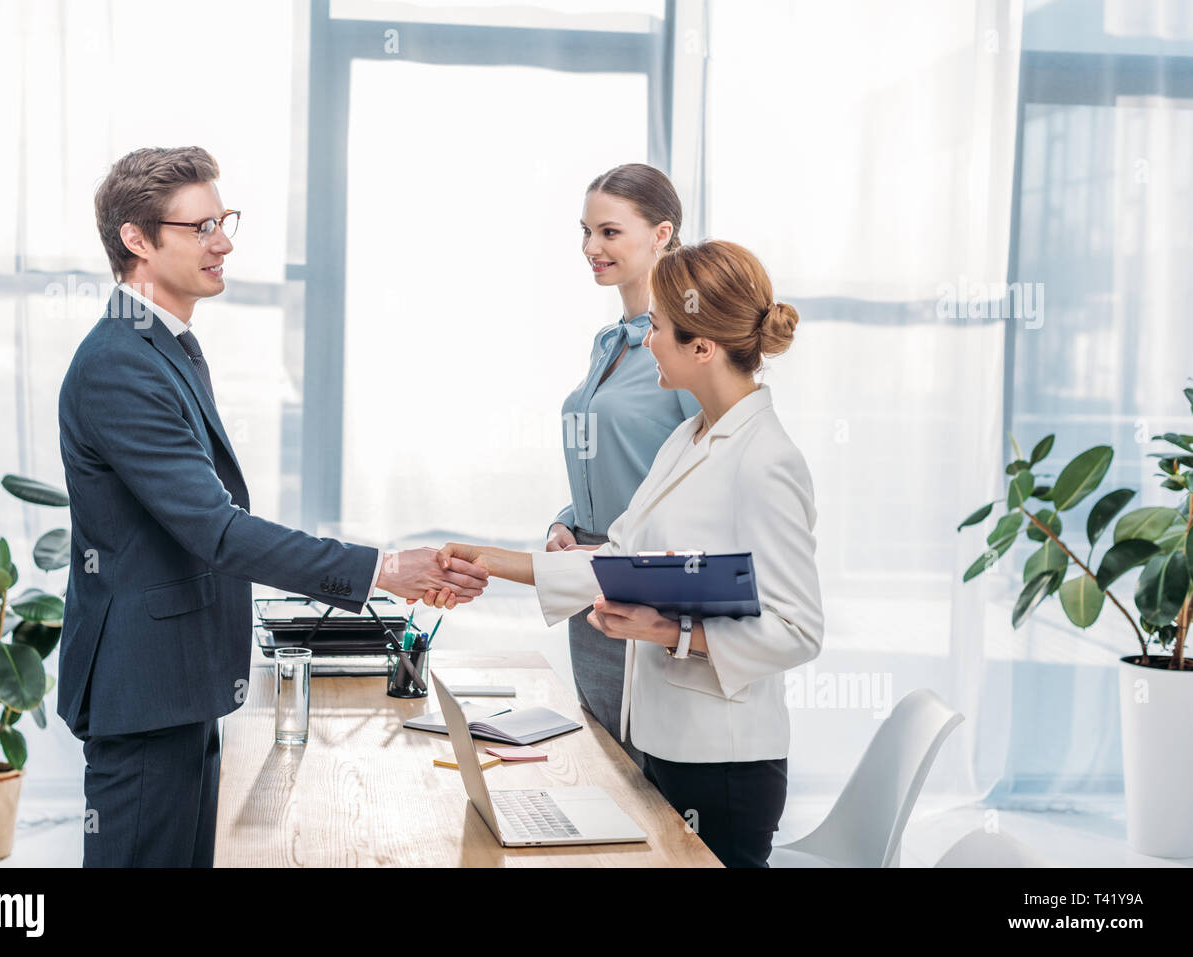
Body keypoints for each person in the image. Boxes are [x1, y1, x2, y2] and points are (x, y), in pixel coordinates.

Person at [57, 146, 488, 867]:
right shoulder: (119, 365)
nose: (223, 241)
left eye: (223, 221)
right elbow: (215, 530)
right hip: (146, 689)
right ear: (137, 239)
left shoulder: (161, 346)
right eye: (200, 227)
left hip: (177, 682)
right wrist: (384, 567)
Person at [431, 239, 823, 867]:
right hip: (666, 741)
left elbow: (798, 630)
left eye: (660, 327)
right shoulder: (688, 438)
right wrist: (492, 561)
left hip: (723, 763)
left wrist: (670, 631)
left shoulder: (766, 460)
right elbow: (616, 558)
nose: (645, 342)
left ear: (703, 346)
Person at [546, 164, 700, 769]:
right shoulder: (610, 342)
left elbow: (708, 469)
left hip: (649, 588)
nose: (590, 248)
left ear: (662, 234)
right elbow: (615, 460)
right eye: (585, 232)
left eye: (609, 232)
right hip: (588, 576)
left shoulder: (686, 341)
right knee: (606, 770)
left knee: (648, 784)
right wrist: (566, 521)